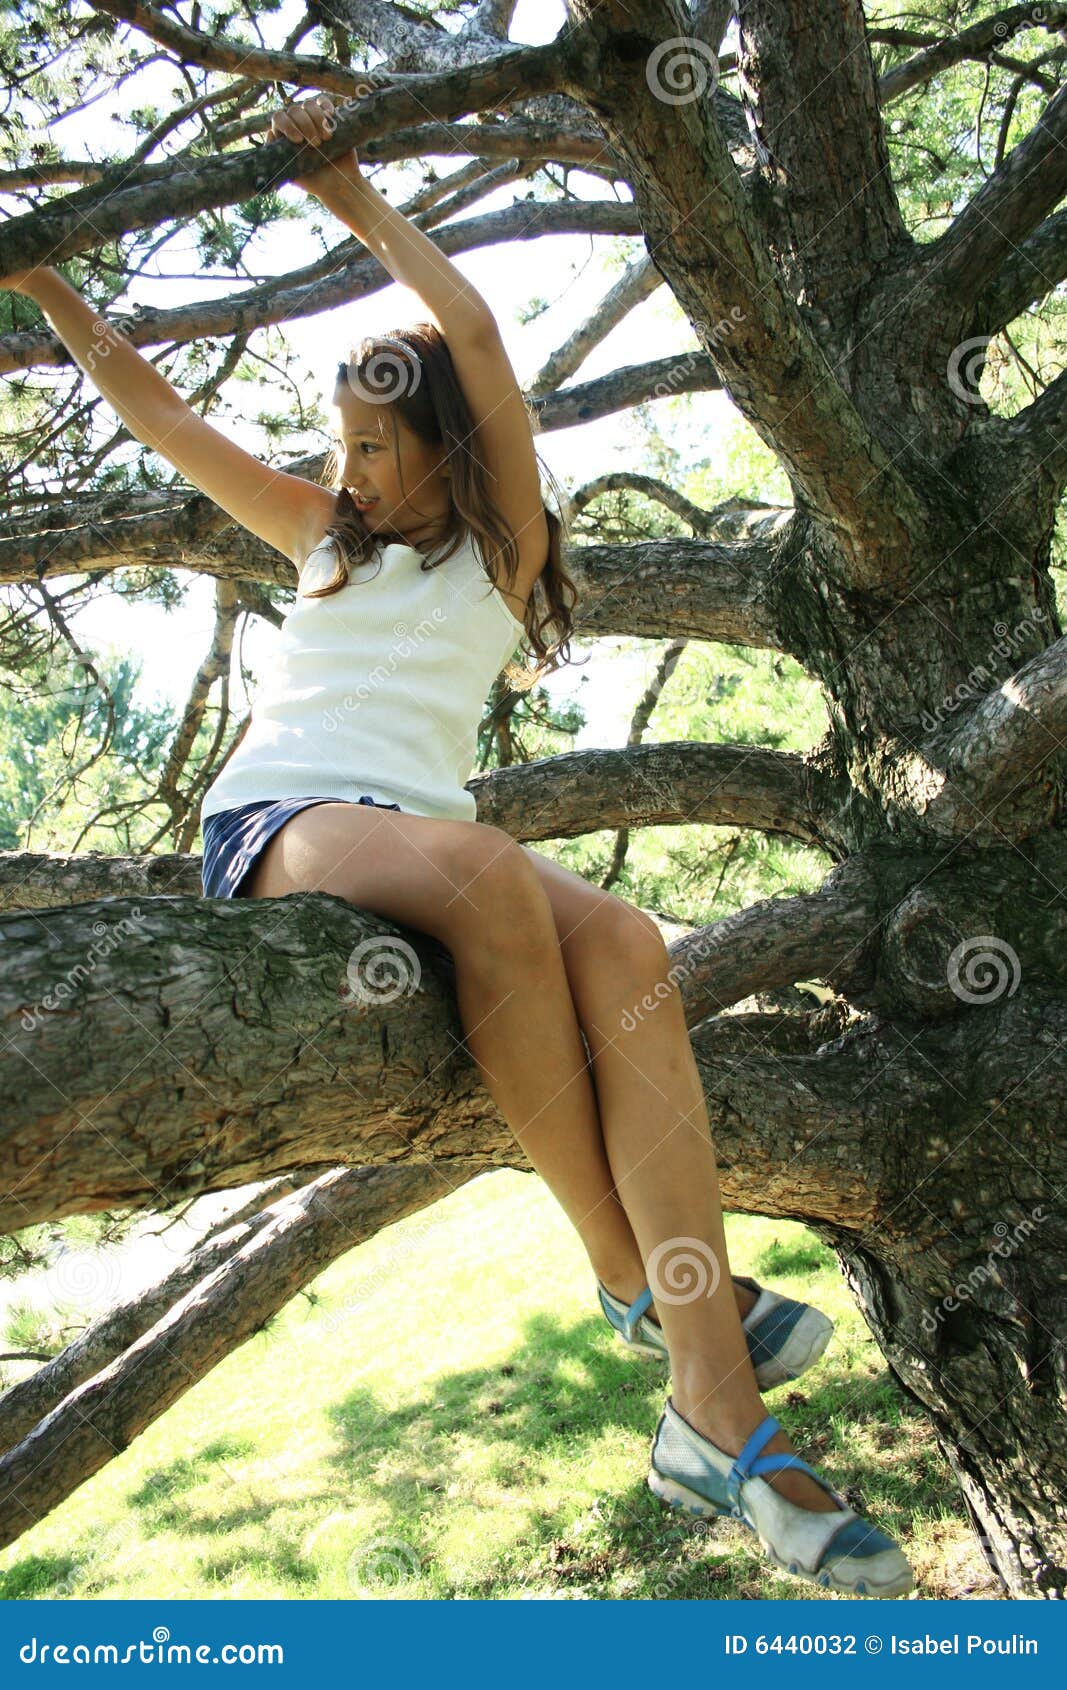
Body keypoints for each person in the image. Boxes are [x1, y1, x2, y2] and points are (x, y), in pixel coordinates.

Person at [3, 93, 913, 1599]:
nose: (348, 466)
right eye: (341, 440)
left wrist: (357, 200)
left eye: (375, 442)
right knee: (496, 877)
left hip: (423, 831)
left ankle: (709, 1406)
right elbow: (163, 416)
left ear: (448, 452)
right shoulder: (314, 538)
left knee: (627, 941)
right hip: (285, 823)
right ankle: (644, 1293)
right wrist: (48, 283)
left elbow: (480, 338)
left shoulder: (507, 549)